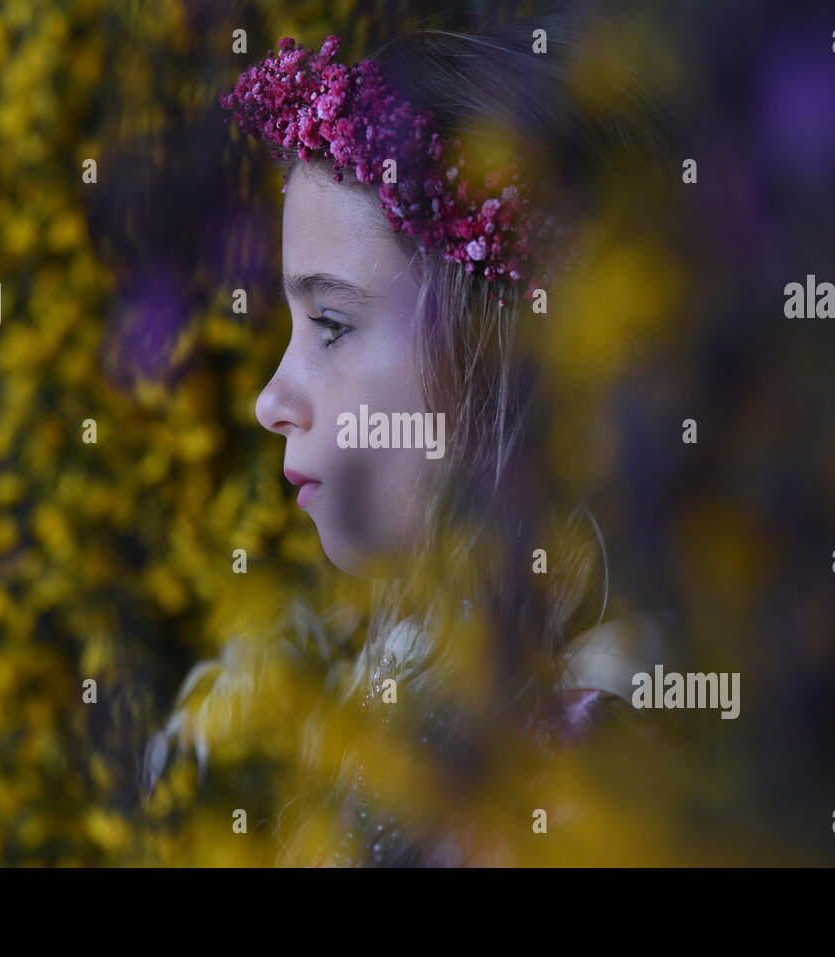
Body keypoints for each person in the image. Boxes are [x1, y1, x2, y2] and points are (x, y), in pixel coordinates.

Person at [149, 10, 677, 866]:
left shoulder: (582, 787)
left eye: (330, 322)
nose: (270, 401)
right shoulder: (402, 704)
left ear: (509, 355)